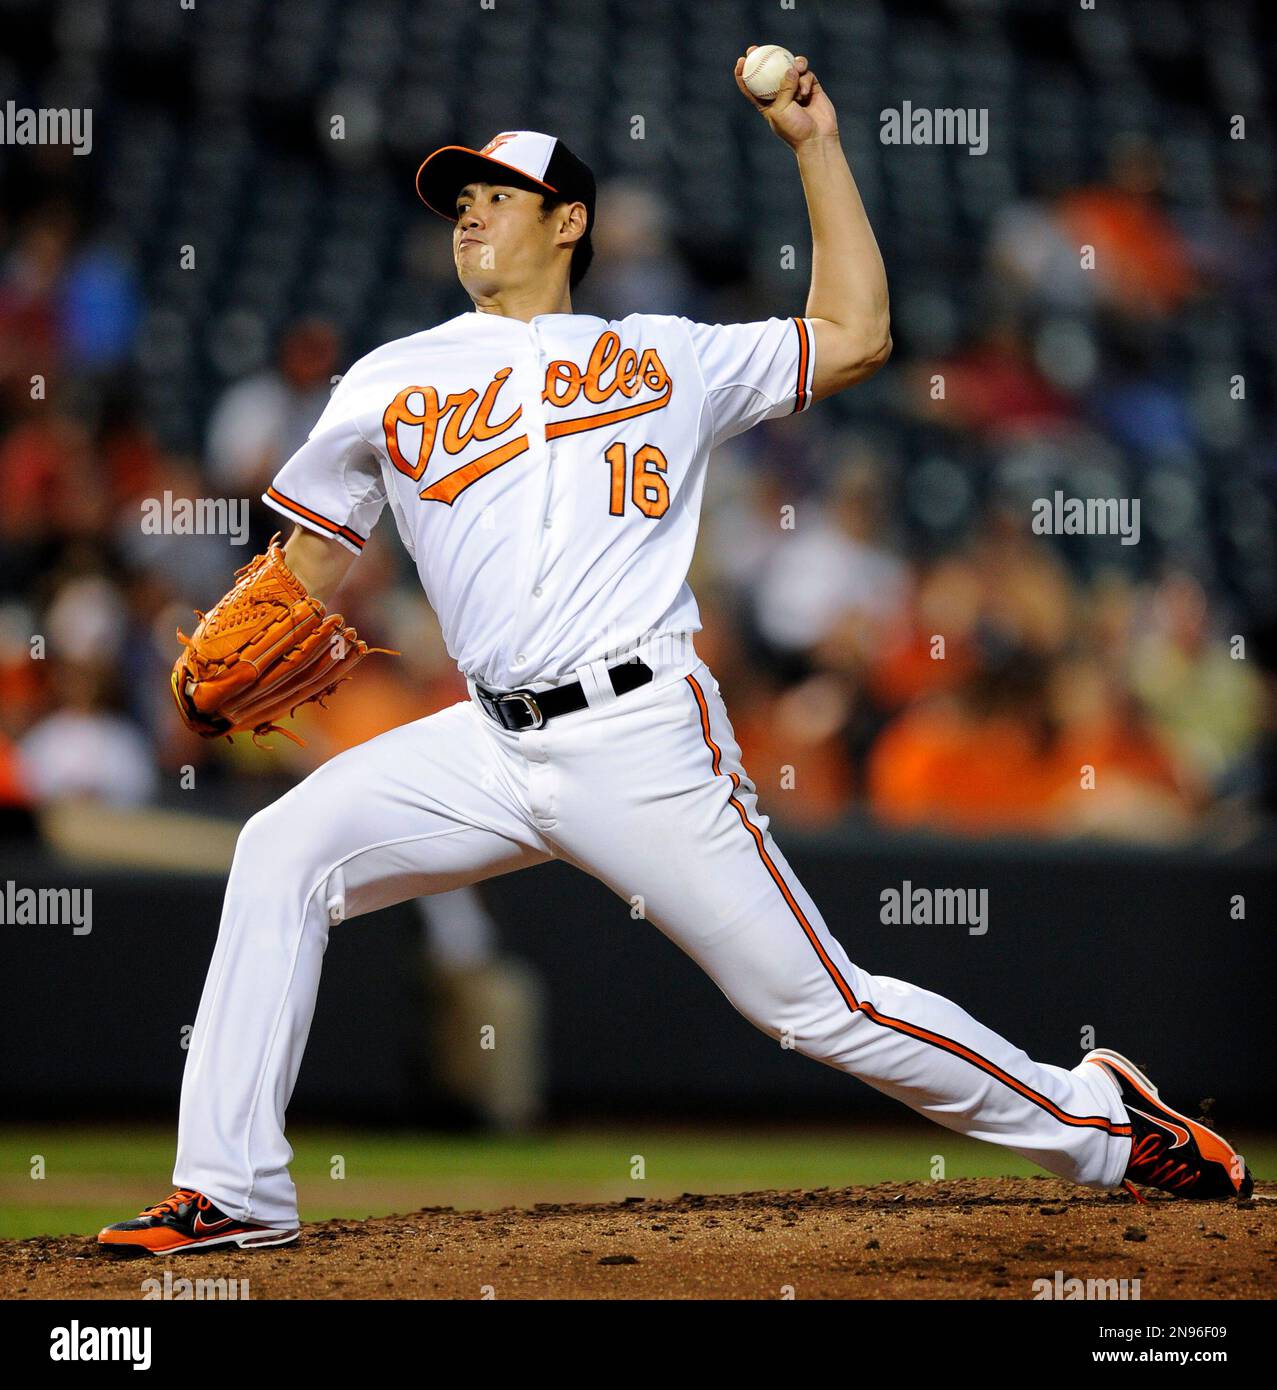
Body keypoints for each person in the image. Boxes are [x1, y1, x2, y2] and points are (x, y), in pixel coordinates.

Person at [98, 51, 1251, 1256]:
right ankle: (231, 1189)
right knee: (281, 850)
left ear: (569, 221)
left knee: (818, 1007)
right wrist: (243, 622)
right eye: (460, 199)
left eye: (499, 194)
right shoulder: (392, 377)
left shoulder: (665, 355)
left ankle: (1102, 1121)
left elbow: (855, 334)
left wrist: (812, 144)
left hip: (640, 734)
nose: (472, 214)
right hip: (487, 739)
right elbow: (309, 565)